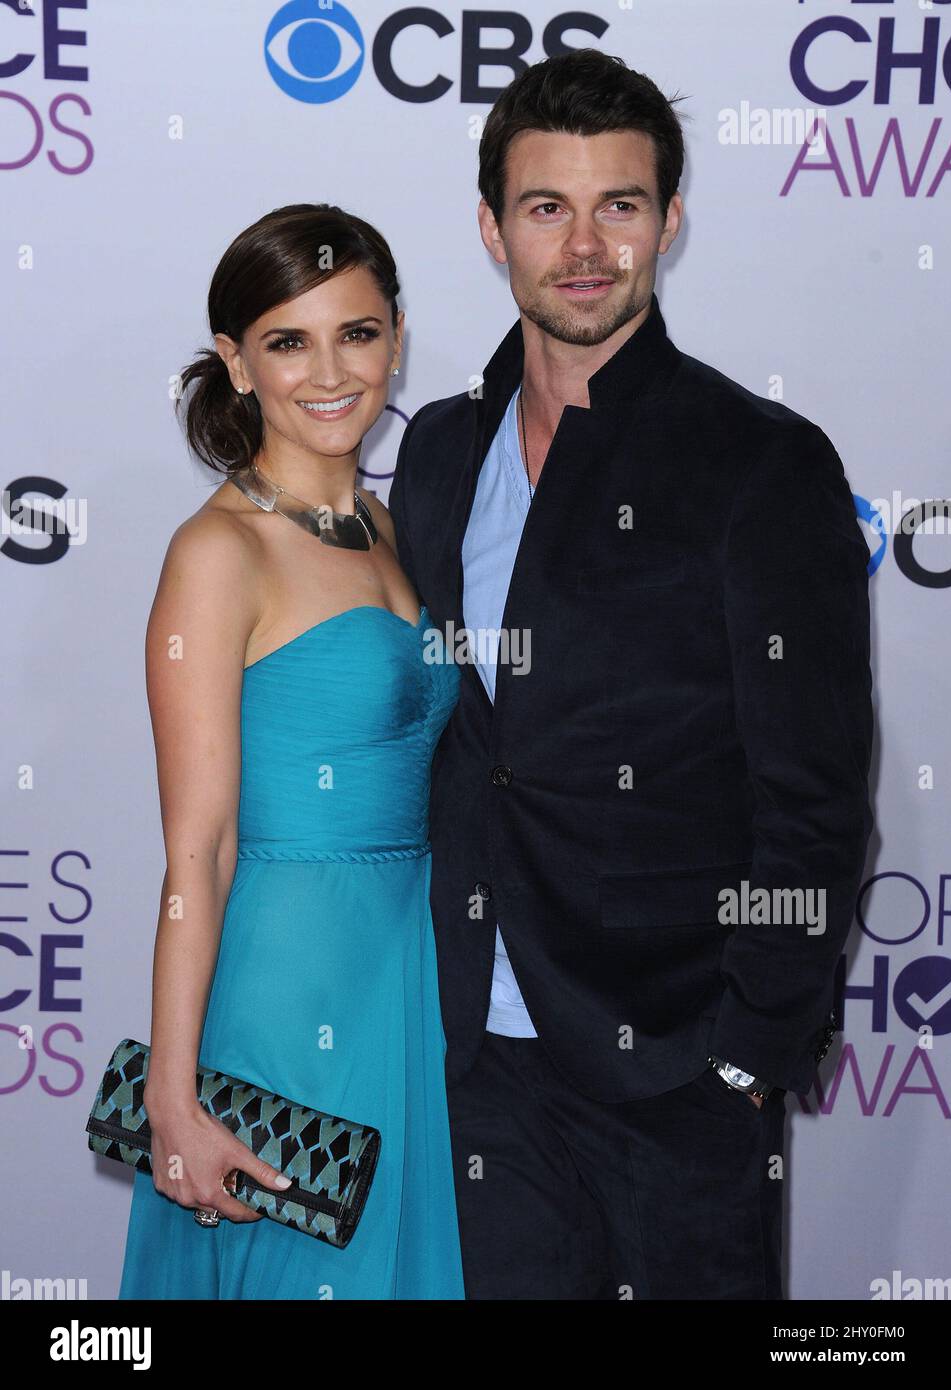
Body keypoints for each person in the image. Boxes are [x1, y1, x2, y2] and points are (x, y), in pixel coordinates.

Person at [388, 50, 874, 1299]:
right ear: (491, 228)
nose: (587, 244)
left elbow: (812, 796)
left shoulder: (757, 464)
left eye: (622, 204)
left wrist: (746, 1049)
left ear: (669, 220)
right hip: (475, 1067)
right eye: (548, 206)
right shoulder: (439, 449)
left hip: (677, 1074)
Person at [117, 203, 464, 1300]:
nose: (330, 371)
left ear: (396, 339)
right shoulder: (218, 551)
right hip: (283, 976)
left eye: (356, 334)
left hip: (409, 967)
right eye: (287, 340)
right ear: (235, 359)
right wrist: (174, 1094)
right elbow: (200, 848)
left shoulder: (397, 528)